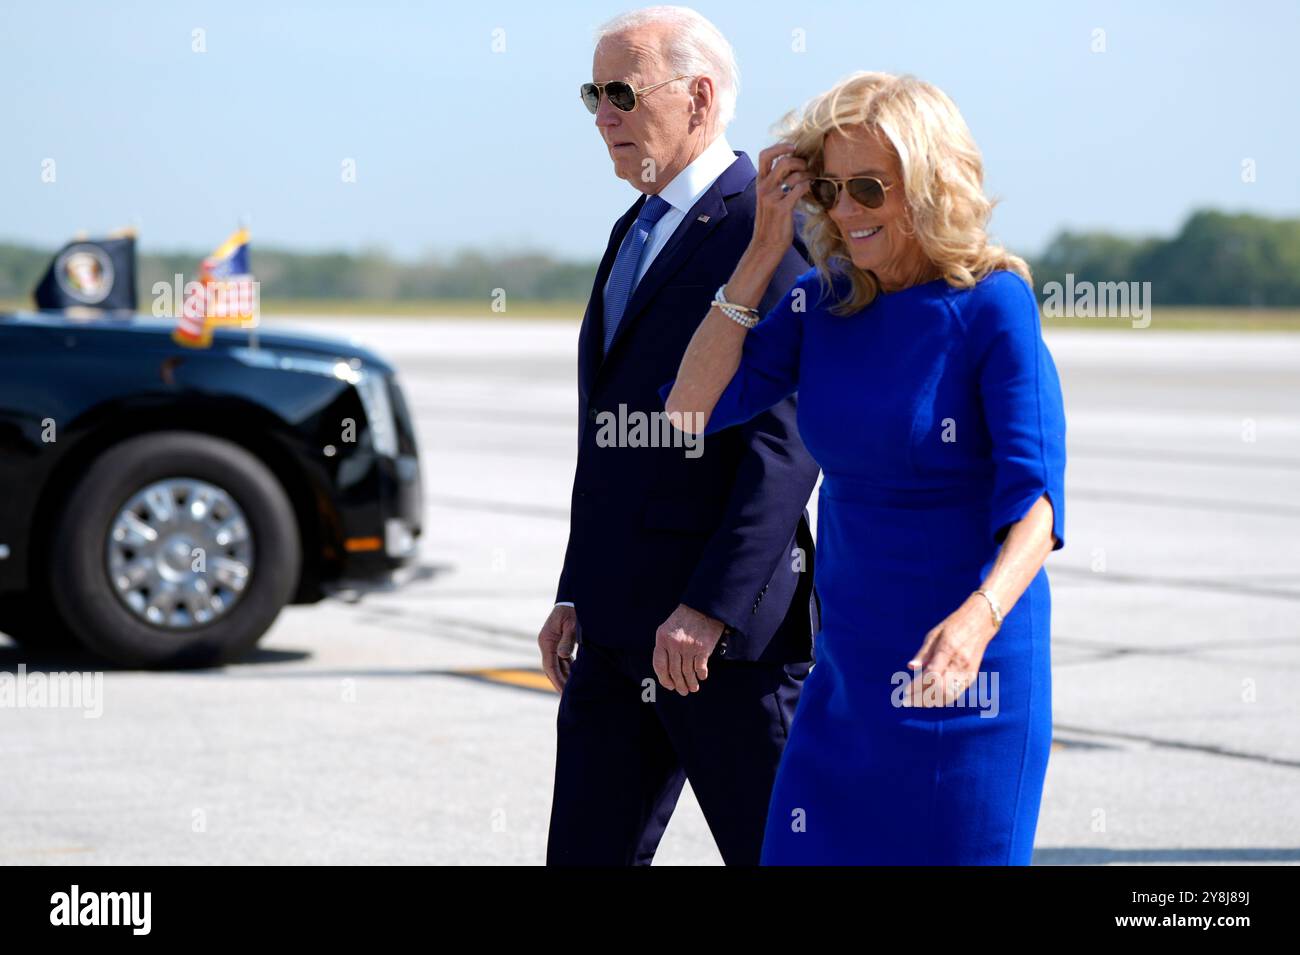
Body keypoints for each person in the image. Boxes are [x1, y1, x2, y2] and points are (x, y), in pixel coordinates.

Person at [663, 71, 1067, 865]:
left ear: (927, 186)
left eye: (869, 188)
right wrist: (760, 253)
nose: (845, 211)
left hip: (967, 679)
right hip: (846, 680)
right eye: (831, 187)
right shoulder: (825, 302)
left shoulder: (993, 304)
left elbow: (1037, 505)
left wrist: (976, 620)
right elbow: (686, 409)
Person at [539, 6, 821, 866]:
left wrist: (710, 609)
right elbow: (609, 443)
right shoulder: (635, 229)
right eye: (594, 92)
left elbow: (784, 446)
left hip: (723, 647)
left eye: (621, 91)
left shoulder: (768, 230)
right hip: (616, 632)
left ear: (699, 96)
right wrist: (575, 586)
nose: (602, 114)